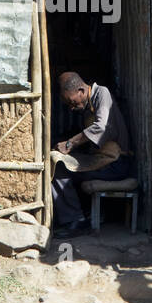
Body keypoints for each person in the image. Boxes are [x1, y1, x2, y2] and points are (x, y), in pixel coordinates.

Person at [51, 71, 134, 238]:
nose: (72, 107)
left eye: (72, 102)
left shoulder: (102, 93)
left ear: (81, 90)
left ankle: (76, 221)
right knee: (56, 161)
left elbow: (101, 127)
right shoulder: (88, 104)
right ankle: (79, 216)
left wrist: (70, 143)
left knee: (60, 168)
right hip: (103, 160)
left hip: (116, 163)